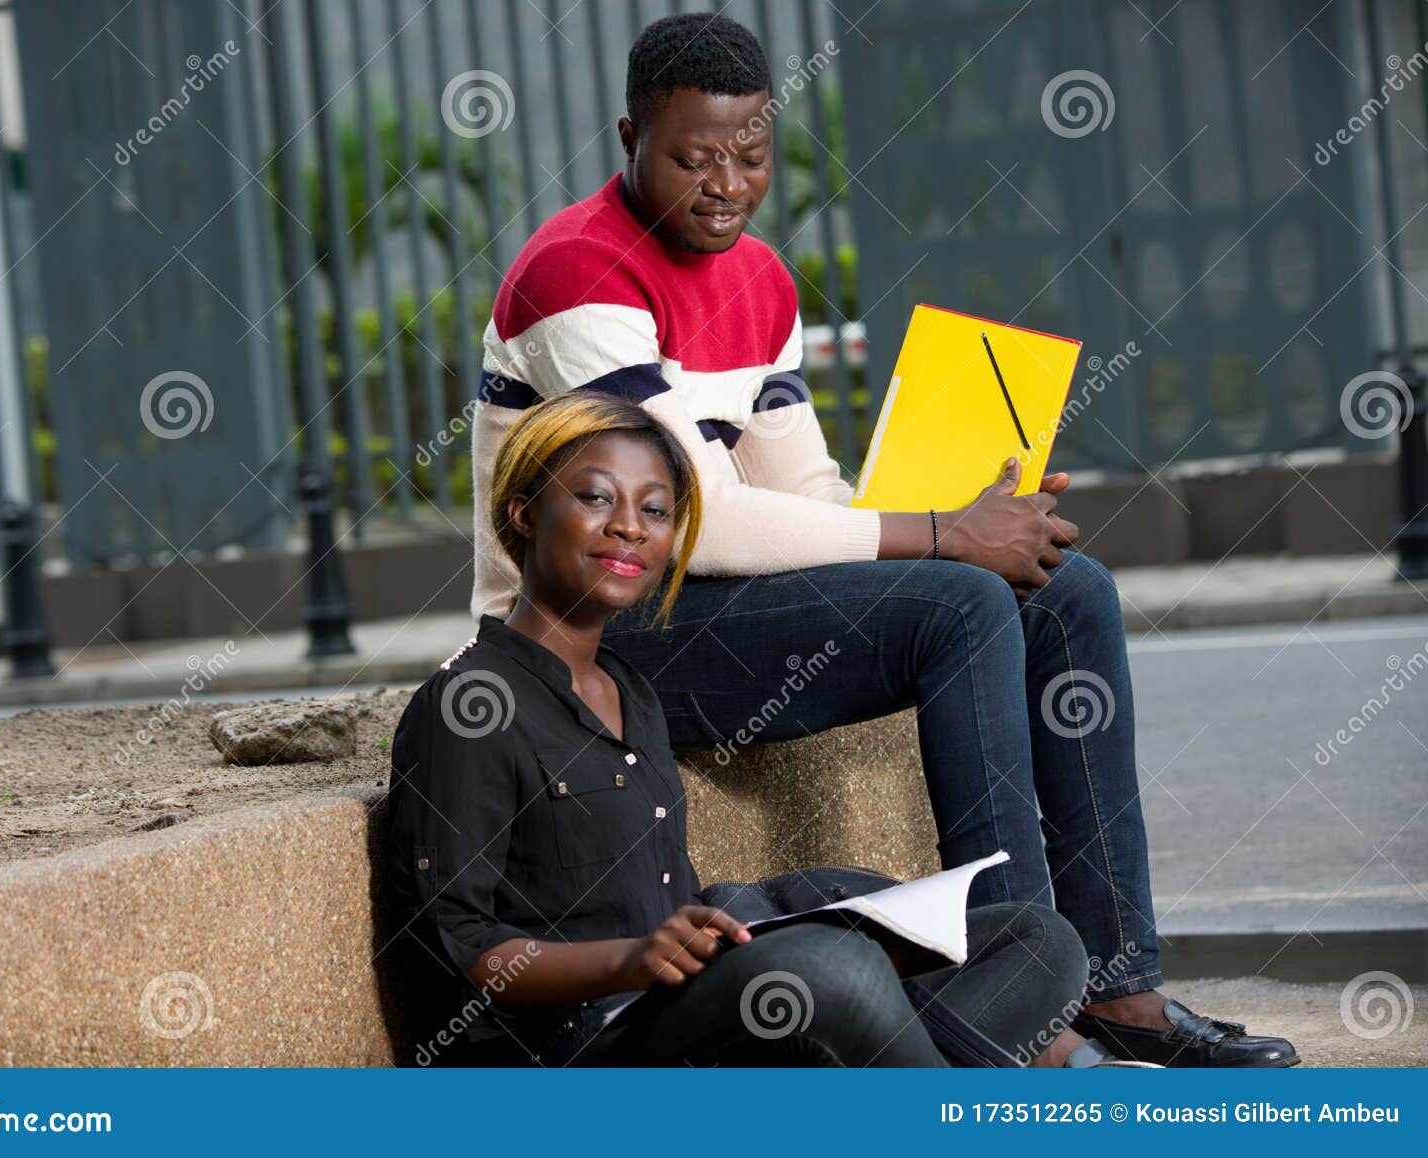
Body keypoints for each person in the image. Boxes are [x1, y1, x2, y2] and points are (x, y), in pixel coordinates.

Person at [465, 13, 1298, 1067]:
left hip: (701, 610)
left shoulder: (759, 278)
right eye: (691, 157)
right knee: (958, 601)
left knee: (1066, 588)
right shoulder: (578, 272)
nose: (725, 183)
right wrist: (949, 540)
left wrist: (975, 510)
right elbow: (698, 520)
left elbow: (801, 491)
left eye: (752, 156)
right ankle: (1024, 1008)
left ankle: (1116, 990)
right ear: (628, 135)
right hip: (589, 639)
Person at [390, 391, 1125, 1067]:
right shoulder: (469, 706)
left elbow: (660, 899)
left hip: (690, 1011)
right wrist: (631, 959)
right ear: (522, 513)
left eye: (655, 511)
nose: (628, 527)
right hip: (588, 1050)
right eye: (595, 498)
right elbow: (467, 951)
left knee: (1038, 944)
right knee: (828, 973)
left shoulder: (628, 690)